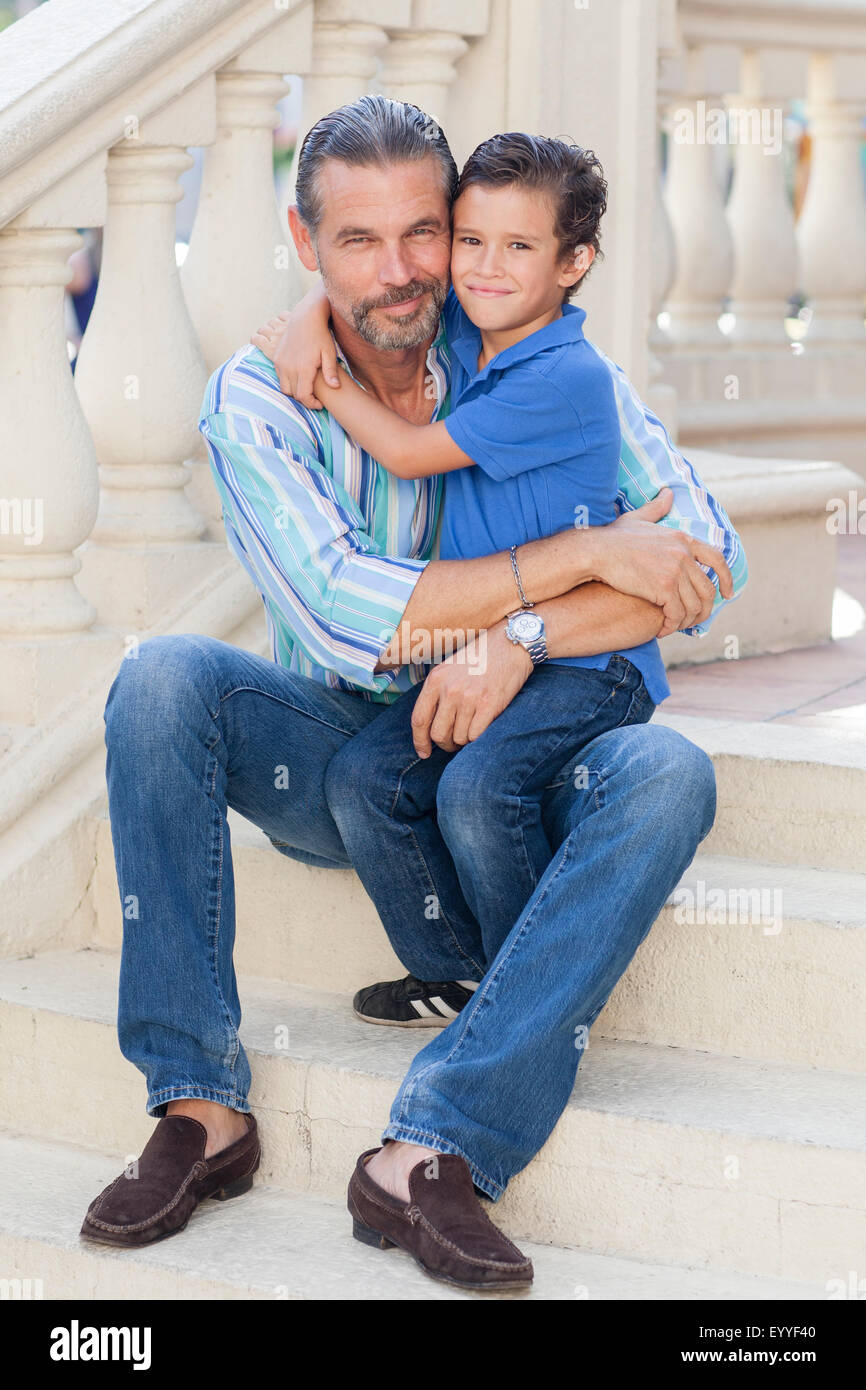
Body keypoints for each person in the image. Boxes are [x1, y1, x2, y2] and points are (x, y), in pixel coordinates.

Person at [81, 96, 745, 1293]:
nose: (399, 274)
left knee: (667, 774)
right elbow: (362, 618)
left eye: (422, 233)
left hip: (515, 721)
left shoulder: (504, 338)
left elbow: (704, 555)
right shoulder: (259, 398)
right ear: (303, 244)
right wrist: (586, 559)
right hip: (339, 748)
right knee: (159, 677)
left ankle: (434, 1144)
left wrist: (522, 636)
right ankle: (199, 1108)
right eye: (355, 242)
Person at [253, 130, 698, 998]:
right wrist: (314, 311)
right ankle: (459, 975)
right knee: (368, 780)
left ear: (574, 264)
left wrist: (330, 383)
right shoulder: (470, 327)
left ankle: (524, 1001)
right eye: (468, 240)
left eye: (519, 247)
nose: (484, 268)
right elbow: (374, 292)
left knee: (476, 793)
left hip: (588, 665)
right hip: (489, 645)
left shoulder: (560, 376)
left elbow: (413, 456)